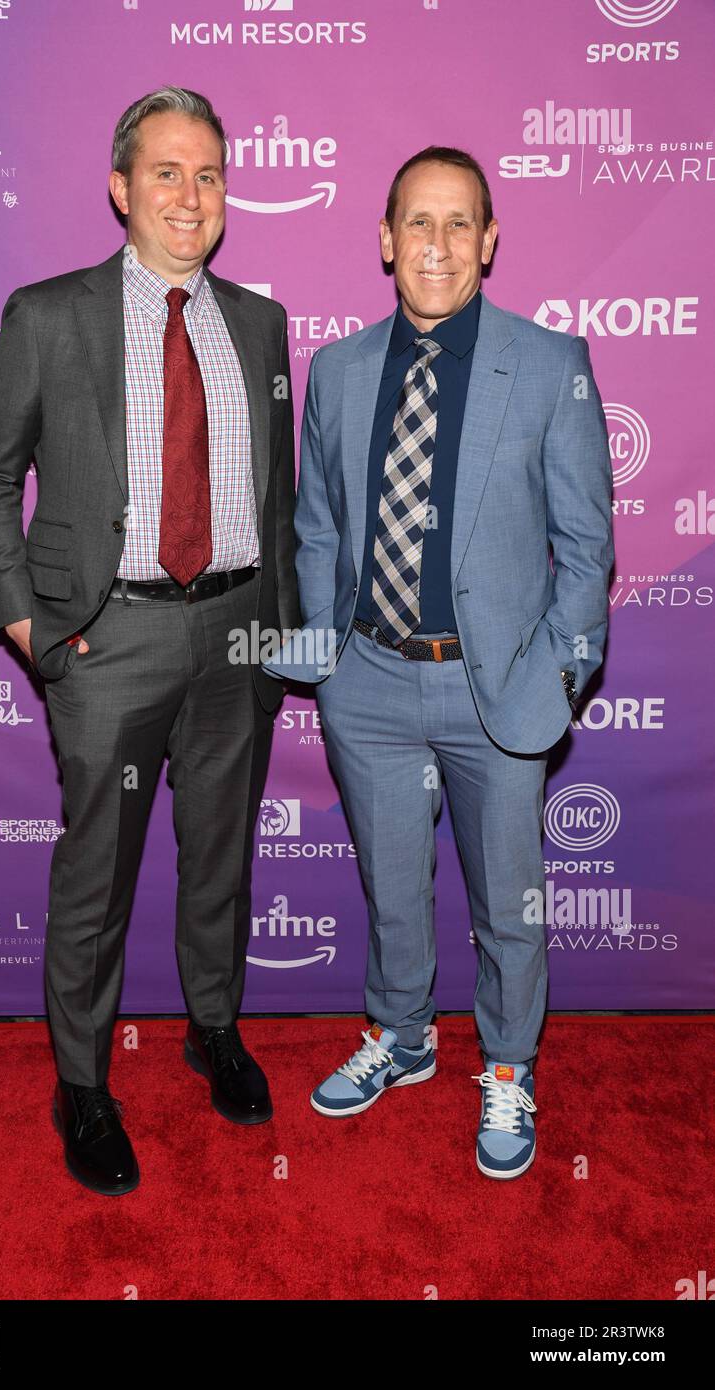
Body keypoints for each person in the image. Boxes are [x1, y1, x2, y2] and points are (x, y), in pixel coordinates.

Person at [0, 87, 300, 1196]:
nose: (189, 195)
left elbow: (279, 495)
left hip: (236, 632)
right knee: (96, 877)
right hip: (110, 640)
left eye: (208, 174)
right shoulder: (49, 316)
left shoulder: (259, 324)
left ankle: (213, 1028)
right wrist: (29, 623)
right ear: (120, 188)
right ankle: (82, 1084)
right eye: (166, 172)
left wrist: (278, 634)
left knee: (222, 860)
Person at [263, 146, 614, 1179]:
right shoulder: (337, 370)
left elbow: (585, 548)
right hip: (367, 682)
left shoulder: (548, 364)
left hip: (497, 687)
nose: (437, 244)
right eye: (417, 221)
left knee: (508, 904)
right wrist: (325, 655)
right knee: (391, 890)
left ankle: (507, 1065)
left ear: (489, 241)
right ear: (384, 240)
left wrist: (555, 678)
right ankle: (402, 1035)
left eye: (459, 222)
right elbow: (317, 524)